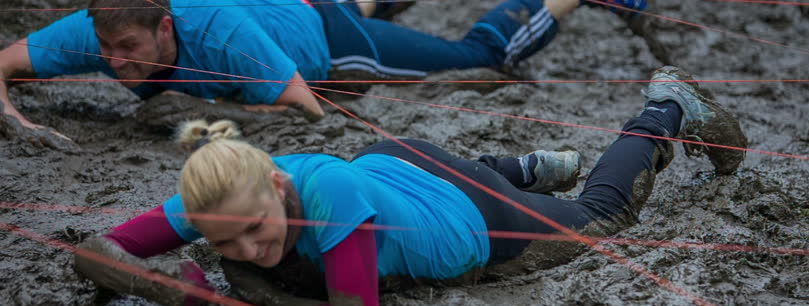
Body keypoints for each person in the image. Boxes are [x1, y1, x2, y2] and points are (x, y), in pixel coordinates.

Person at [73, 65, 745, 306]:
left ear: (279, 185)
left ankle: (667, 107)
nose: (246, 247)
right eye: (224, 241)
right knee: (355, 219)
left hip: (475, 220)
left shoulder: (321, 196)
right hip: (397, 163)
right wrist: (168, 287)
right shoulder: (219, 190)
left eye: (255, 229)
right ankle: (521, 168)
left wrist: (244, 288)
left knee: (605, 217)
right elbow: (88, 252)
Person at [0, 0, 646, 143]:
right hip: (287, 11)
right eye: (106, 48)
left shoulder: (225, 41)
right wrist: (16, 116)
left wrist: (213, 117)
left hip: (327, 45)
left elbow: (308, 110)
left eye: (129, 49)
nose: (114, 63)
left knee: (481, 61)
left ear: (167, 27)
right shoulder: (96, 30)